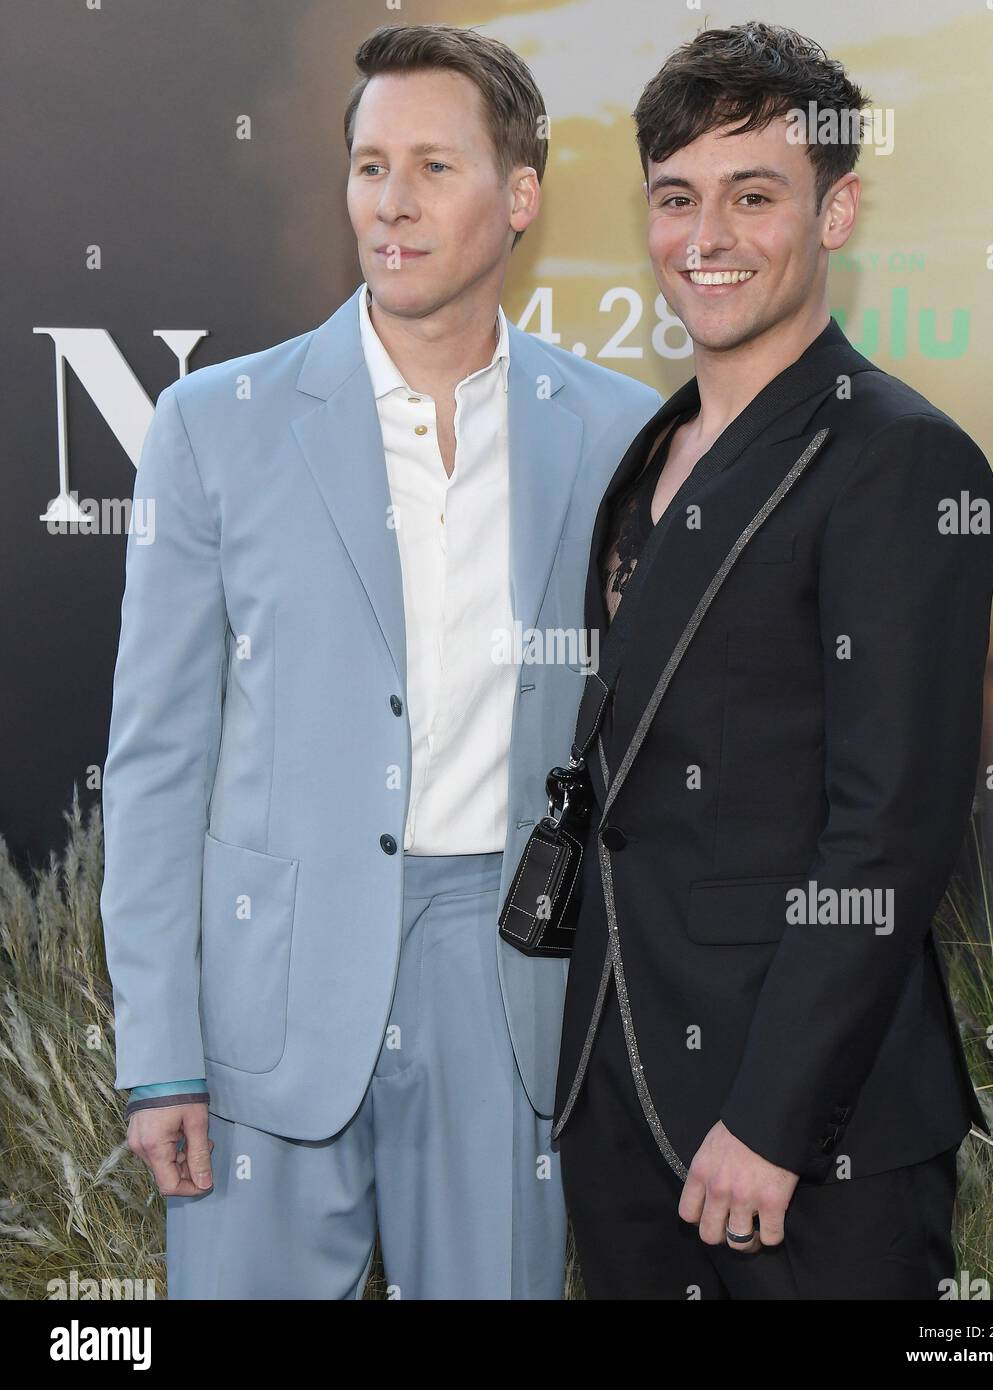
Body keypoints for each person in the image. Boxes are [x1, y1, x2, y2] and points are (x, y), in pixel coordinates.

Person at [100, 22, 659, 1300]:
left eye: (431, 168)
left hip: (505, 977)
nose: (389, 204)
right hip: (270, 989)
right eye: (367, 166)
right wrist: (161, 1056)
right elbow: (155, 766)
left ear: (519, 196)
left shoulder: (621, 433)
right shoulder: (212, 428)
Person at [551, 21, 993, 1300]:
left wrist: (771, 1120)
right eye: (677, 198)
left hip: (809, 1137)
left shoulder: (902, 459)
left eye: (754, 196)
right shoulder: (653, 448)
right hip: (623, 1092)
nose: (709, 236)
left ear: (834, 209)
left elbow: (889, 832)